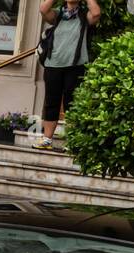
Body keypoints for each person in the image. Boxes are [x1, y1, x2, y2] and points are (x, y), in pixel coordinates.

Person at [33, 0, 101, 150]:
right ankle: (47, 139)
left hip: (75, 66)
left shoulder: (83, 15)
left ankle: (71, 141)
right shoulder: (57, 14)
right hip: (53, 64)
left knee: (73, 104)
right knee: (52, 102)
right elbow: (43, 9)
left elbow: (96, 13)